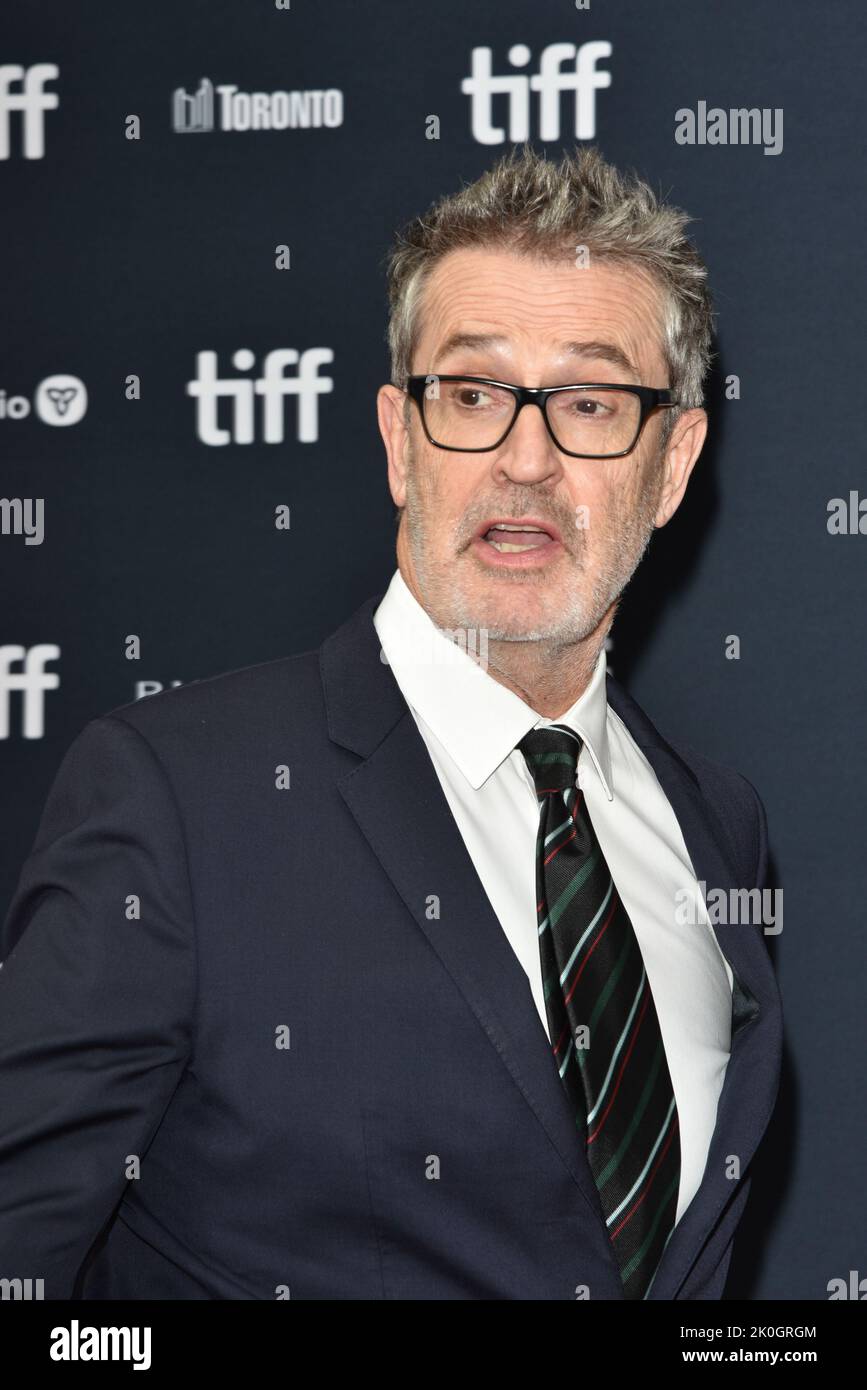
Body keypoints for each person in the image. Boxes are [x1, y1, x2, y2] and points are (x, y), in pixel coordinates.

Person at [0, 144, 782, 1301]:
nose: (525, 458)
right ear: (399, 441)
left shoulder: (717, 823)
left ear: (670, 465)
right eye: (470, 395)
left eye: (589, 402)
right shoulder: (176, 800)